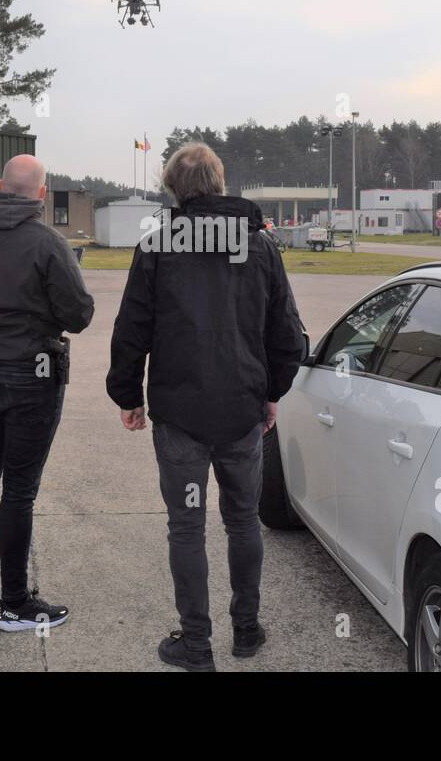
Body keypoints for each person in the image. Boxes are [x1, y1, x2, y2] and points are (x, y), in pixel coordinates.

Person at [106, 142, 306, 671]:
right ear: (218, 184)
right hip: (240, 409)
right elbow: (288, 335)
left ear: (175, 186)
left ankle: (196, 644)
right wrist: (270, 393)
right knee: (242, 522)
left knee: (187, 526)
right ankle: (246, 630)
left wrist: (127, 394)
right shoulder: (260, 247)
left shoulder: (158, 244)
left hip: (181, 414)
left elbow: (131, 330)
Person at [0, 154, 94, 631]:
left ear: (0, 185)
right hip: (34, 376)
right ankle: (15, 603)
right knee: (19, 491)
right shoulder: (49, 243)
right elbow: (78, 316)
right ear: (42, 195)